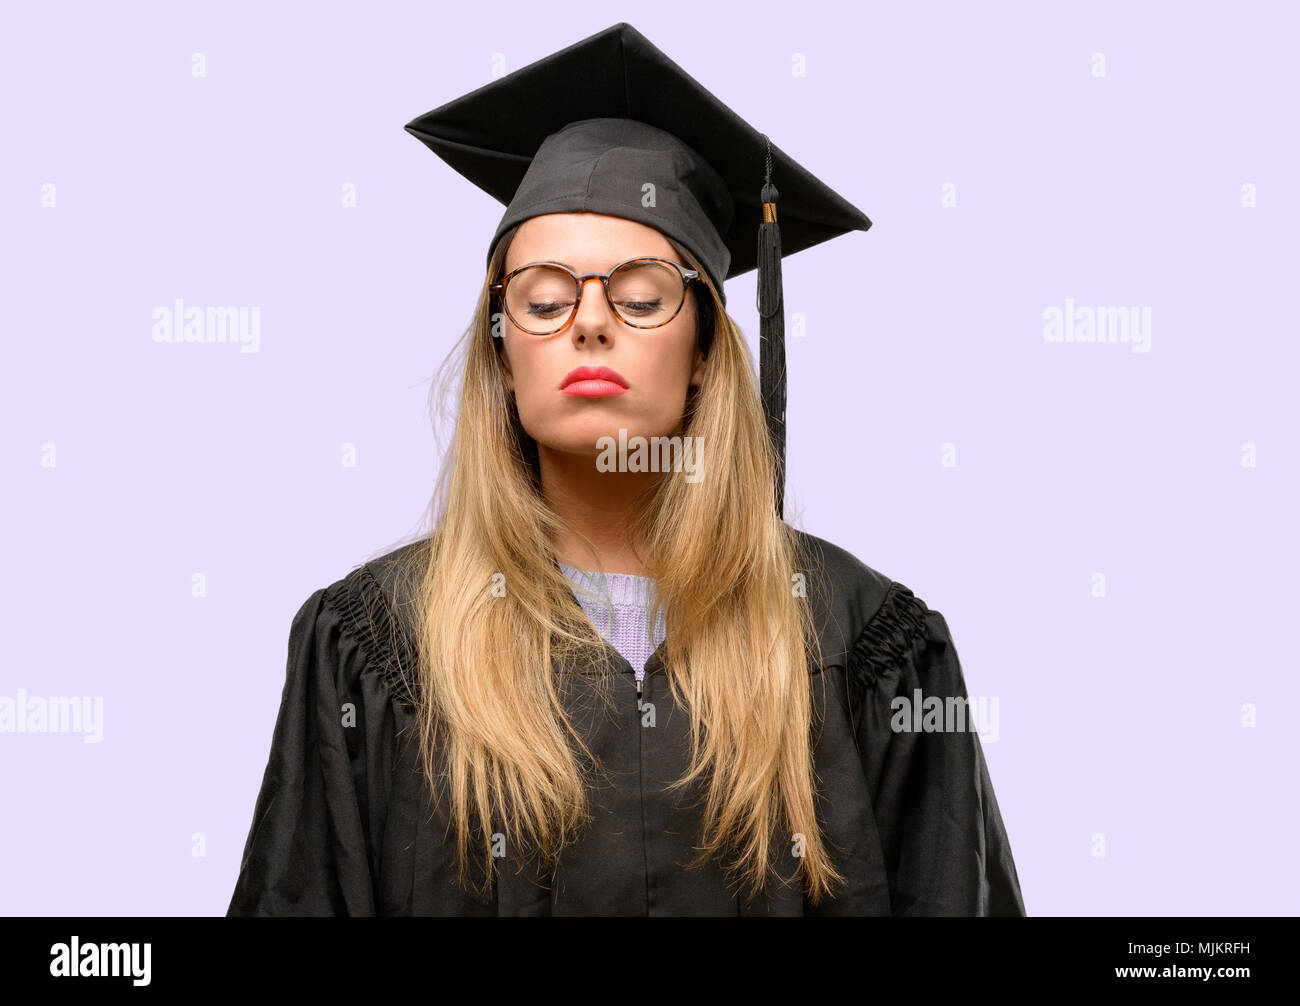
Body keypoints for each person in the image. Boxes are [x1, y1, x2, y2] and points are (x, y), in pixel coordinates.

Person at [226, 22, 1026, 916]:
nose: (590, 322)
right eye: (543, 299)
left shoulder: (865, 644)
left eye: (642, 294)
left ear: (705, 353)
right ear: (500, 350)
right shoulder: (374, 648)